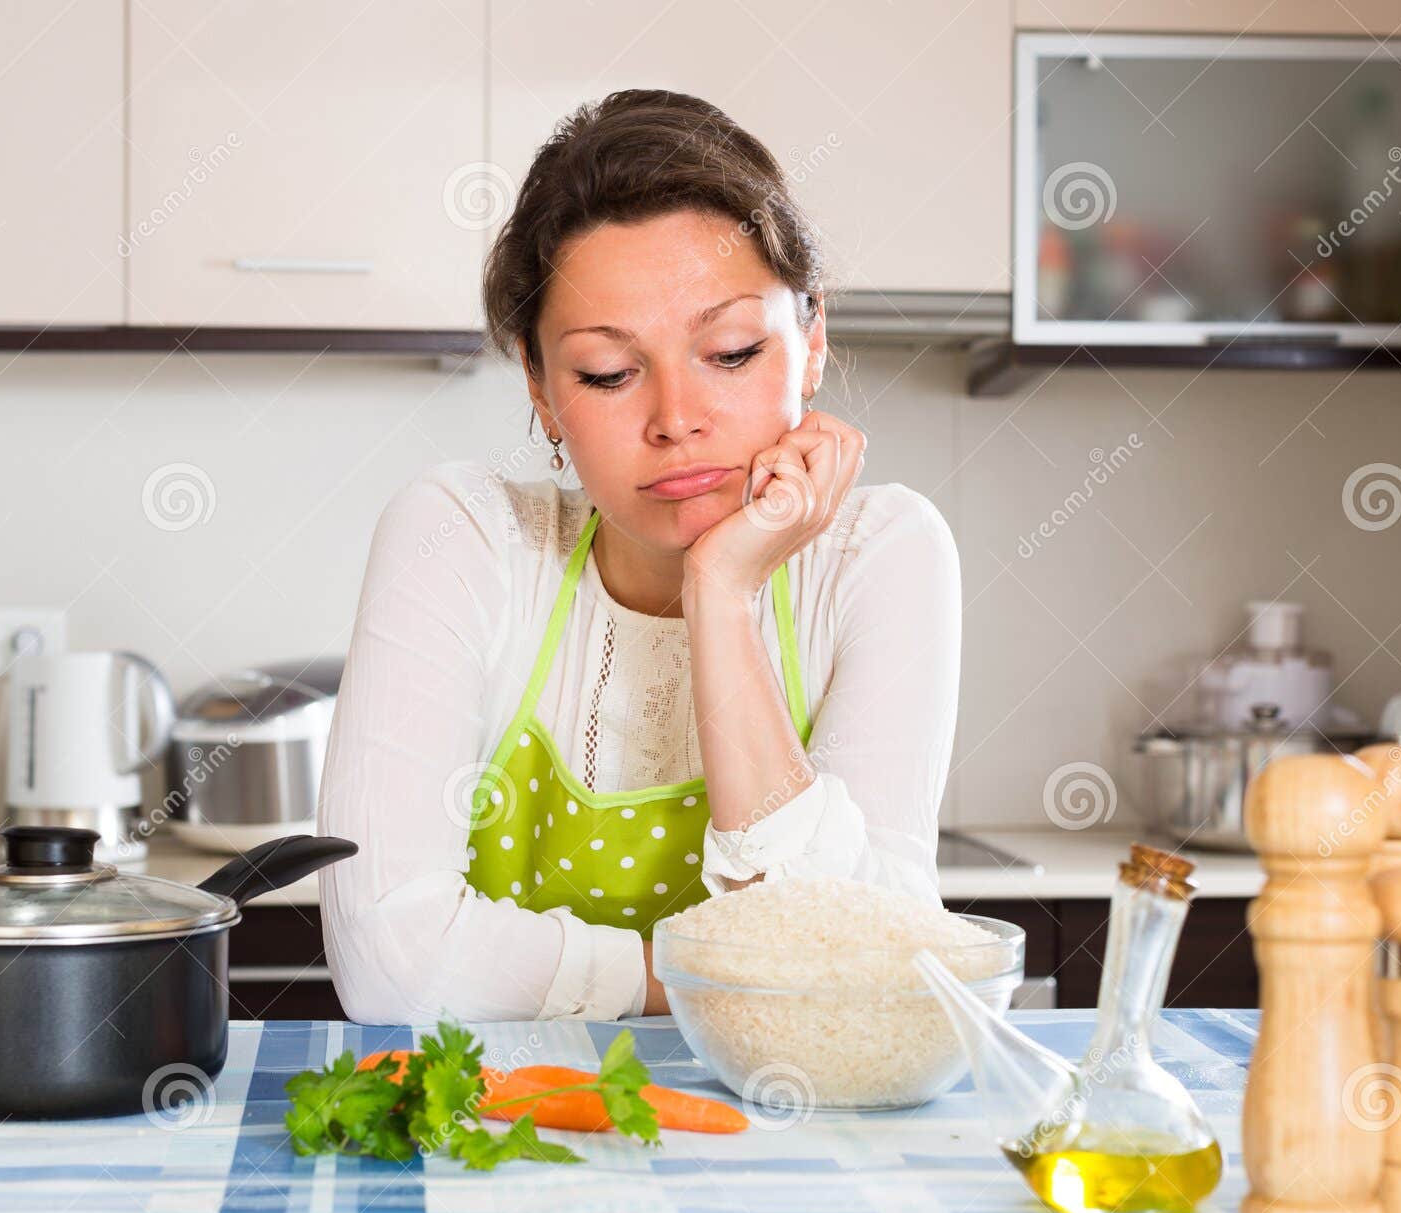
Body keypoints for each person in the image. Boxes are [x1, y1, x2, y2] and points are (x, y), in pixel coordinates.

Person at [318, 89, 960, 1024]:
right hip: (495, 1150)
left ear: (812, 341)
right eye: (608, 374)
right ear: (541, 391)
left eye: (731, 352)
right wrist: (722, 980)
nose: (674, 419)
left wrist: (723, 593)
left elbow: (861, 964)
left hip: (783, 1154)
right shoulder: (460, 534)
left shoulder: (880, 554)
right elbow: (389, 964)